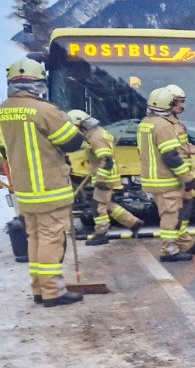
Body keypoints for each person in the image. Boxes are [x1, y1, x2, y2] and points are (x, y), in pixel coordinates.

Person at [1, 58, 87, 307]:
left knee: (36, 238)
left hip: (25, 190)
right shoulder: (45, 111)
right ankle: (52, 292)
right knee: (51, 238)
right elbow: (73, 141)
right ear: (37, 83)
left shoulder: (4, 109)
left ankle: (39, 288)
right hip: (49, 187)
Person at [138, 87, 195, 262]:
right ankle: (169, 250)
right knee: (170, 214)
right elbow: (171, 156)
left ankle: (178, 244)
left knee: (170, 212)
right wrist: (187, 177)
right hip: (165, 179)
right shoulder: (164, 125)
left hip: (154, 177)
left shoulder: (145, 123)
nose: (176, 106)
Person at [67, 110, 143, 246]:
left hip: (105, 177)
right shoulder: (93, 134)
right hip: (105, 175)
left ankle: (101, 234)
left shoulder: (96, 137)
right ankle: (133, 222)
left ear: (80, 125)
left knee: (97, 206)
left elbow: (107, 160)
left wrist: (101, 179)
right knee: (107, 204)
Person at [161, 84, 195, 252]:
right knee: (176, 210)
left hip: (184, 174)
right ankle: (178, 243)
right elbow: (170, 152)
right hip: (177, 175)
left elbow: (180, 147)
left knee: (186, 206)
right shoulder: (166, 124)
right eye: (179, 102)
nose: (182, 106)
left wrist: (191, 149)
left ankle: (183, 240)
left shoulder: (177, 123)